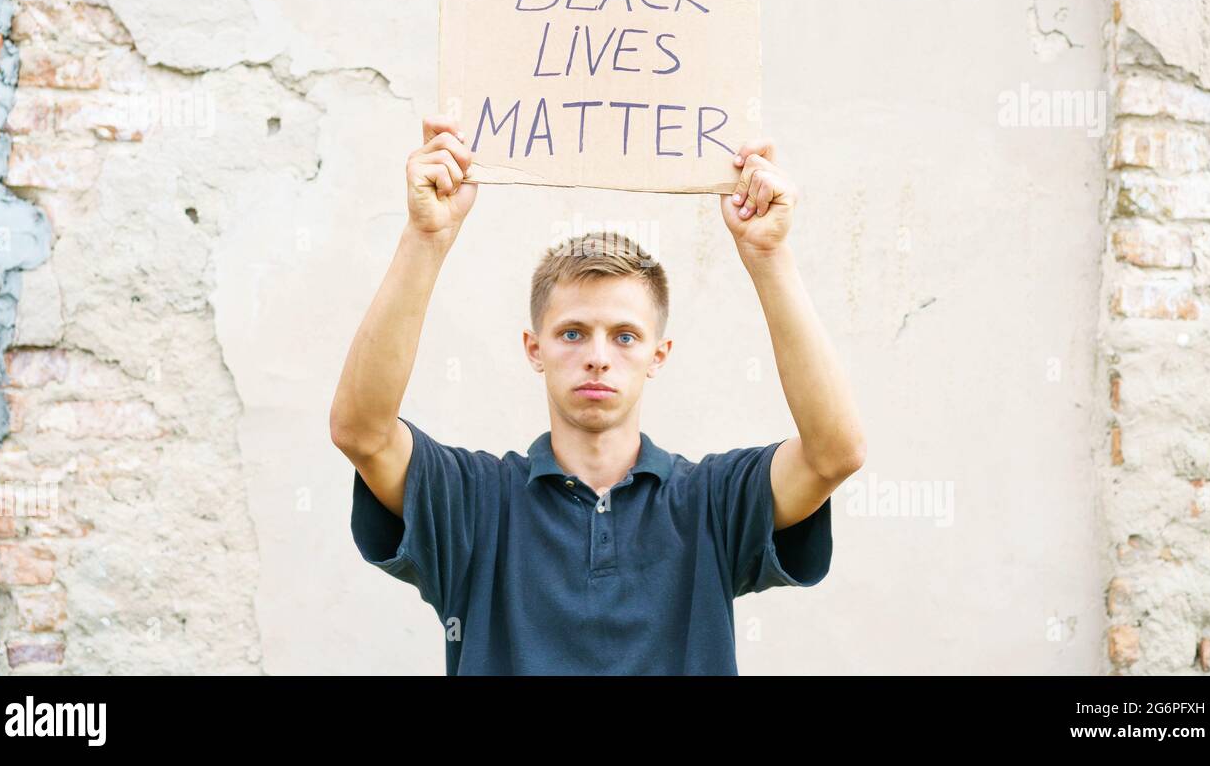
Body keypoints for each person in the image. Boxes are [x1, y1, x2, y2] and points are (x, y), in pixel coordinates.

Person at [329, 115, 866, 675]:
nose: (598, 355)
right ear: (533, 348)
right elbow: (361, 432)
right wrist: (426, 237)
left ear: (659, 355)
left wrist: (768, 256)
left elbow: (835, 453)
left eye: (625, 336)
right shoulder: (474, 503)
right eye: (572, 332)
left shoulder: (710, 502)